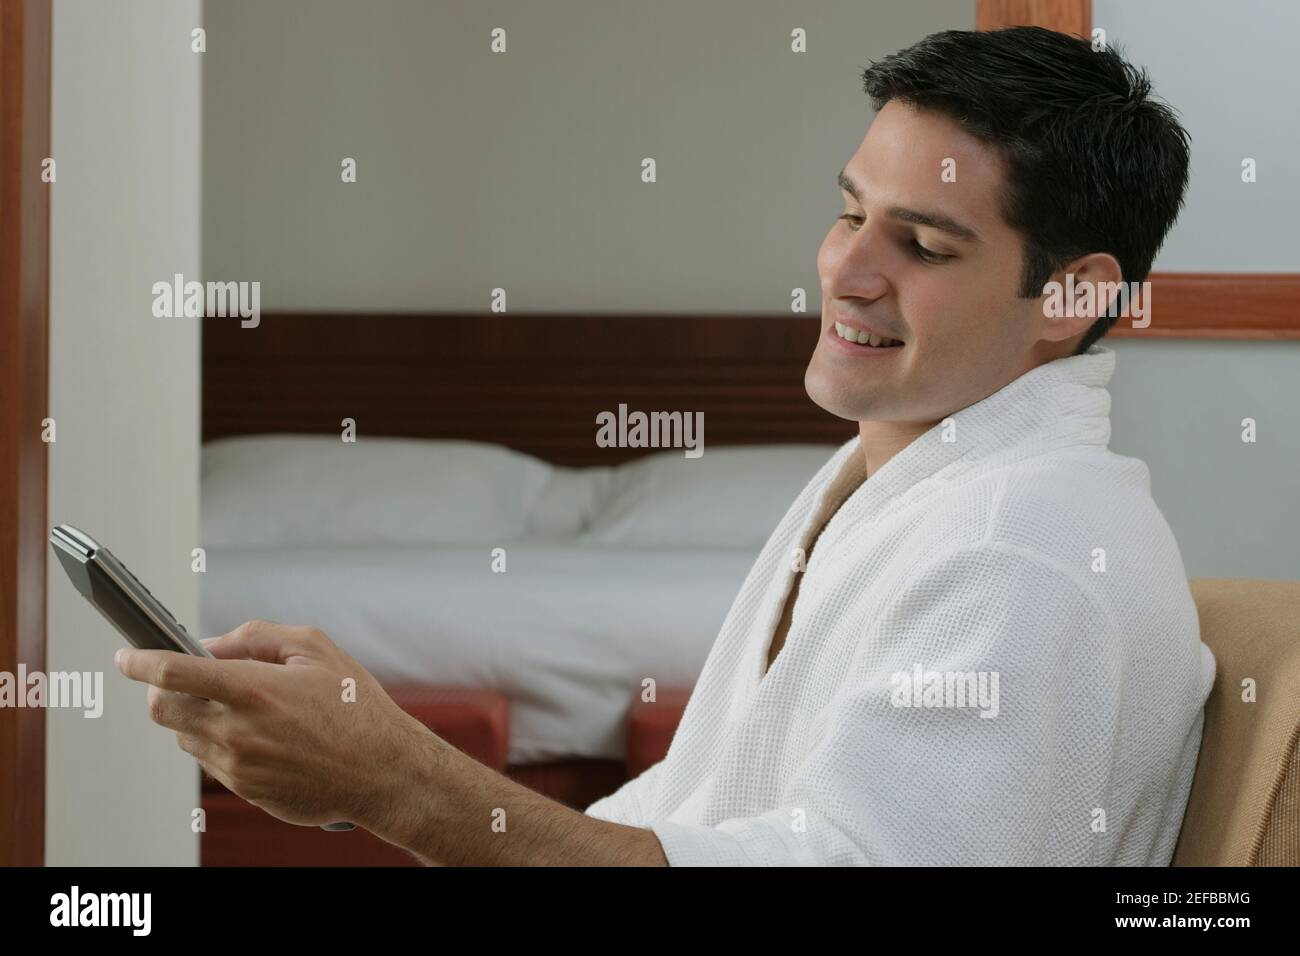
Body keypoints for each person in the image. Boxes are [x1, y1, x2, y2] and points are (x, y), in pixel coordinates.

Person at [117, 26, 1215, 866]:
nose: (847, 269)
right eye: (849, 213)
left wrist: (399, 779)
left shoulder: (1016, 551)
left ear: (1073, 293)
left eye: (921, 243)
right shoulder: (897, 481)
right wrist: (392, 765)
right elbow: (686, 814)